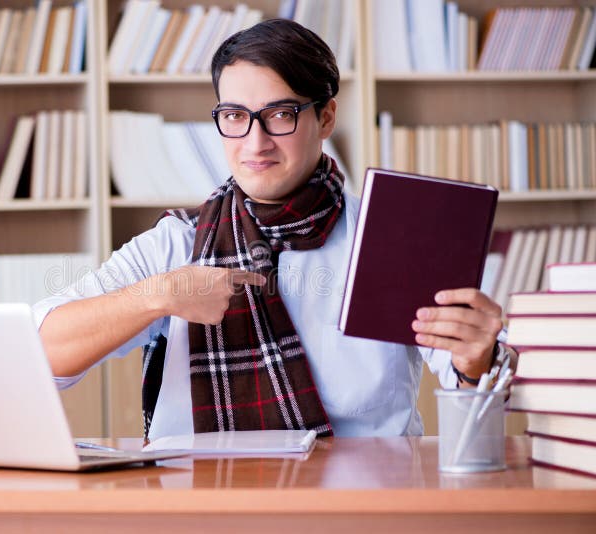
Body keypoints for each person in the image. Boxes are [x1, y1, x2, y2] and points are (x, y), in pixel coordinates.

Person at [33, 19, 516, 440]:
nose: (254, 142)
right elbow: (38, 355)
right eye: (235, 117)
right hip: (201, 504)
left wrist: (476, 360)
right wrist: (156, 296)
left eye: (280, 114)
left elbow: (471, 392)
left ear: (326, 116)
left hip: (360, 502)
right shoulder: (176, 242)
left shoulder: (390, 235)